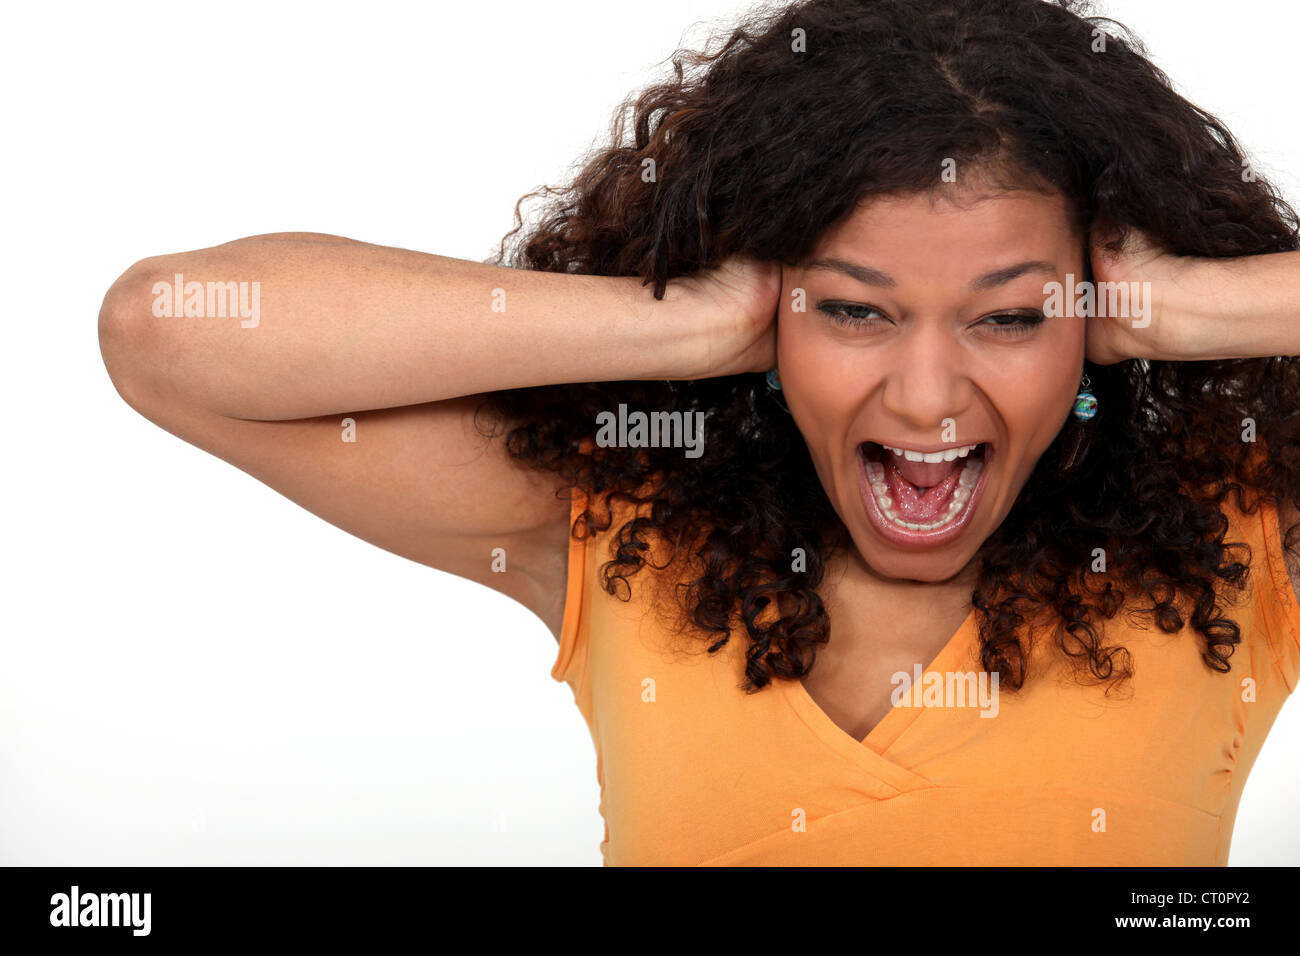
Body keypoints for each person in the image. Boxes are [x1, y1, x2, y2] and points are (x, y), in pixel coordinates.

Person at [97, 0, 1300, 865]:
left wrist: (1186, 304)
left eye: (1009, 317)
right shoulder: (620, 526)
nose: (929, 396)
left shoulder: (1238, 536)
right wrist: (683, 326)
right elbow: (168, 330)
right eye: (852, 308)